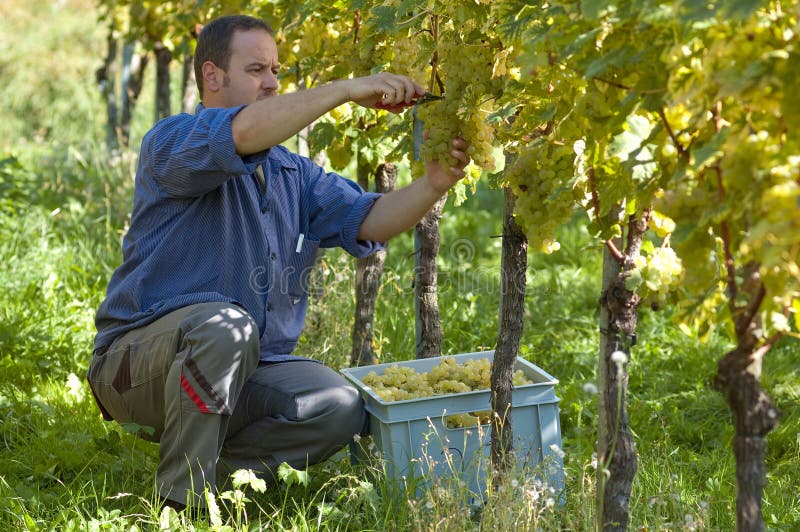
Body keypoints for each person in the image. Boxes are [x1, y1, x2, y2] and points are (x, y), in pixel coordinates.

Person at [86, 14, 469, 509]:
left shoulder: (292, 172)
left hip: (240, 365)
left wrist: (433, 184)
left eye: (276, 71)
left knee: (339, 406)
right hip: (137, 368)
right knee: (226, 326)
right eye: (256, 70)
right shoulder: (170, 142)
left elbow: (370, 219)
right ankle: (178, 506)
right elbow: (242, 132)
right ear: (212, 77)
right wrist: (346, 90)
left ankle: (218, 482)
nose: (271, 82)